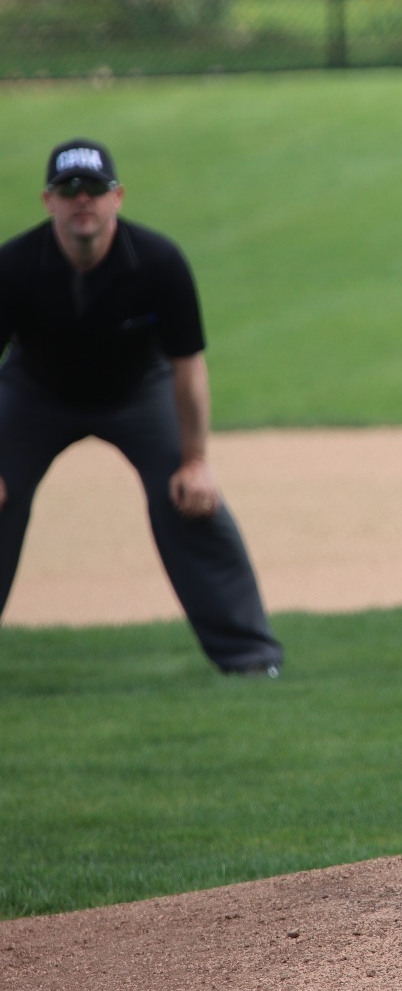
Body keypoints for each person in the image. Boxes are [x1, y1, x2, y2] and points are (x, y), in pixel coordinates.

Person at [0, 139, 283, 677]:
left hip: (136, 392)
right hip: (35, 393)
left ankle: (249, 657)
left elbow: (188, 367)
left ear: (118, 197)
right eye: (69, 190)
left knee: (190, 497)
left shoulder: (158, 261)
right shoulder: (12, 265)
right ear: (48, 201)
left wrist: (196, 460)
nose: (82, 200)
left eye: (95, 189)